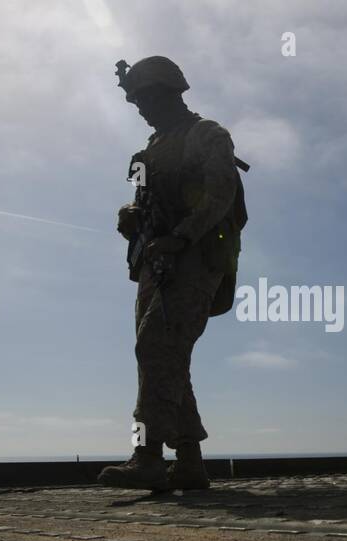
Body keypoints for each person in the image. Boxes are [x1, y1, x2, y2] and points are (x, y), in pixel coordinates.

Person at [99, 57, 248, 491]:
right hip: (153, 262)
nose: (140, 107)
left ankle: (147, 456)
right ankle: (189, 461)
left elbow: (220, 195)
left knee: (155, 347)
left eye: (145, 97)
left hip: (195, 258)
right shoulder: (147, 151)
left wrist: (182, 237)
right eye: (135, 100)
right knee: (165, 356)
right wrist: (129, 215)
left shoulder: (207, 134)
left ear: (170, 91)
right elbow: (142, 204)